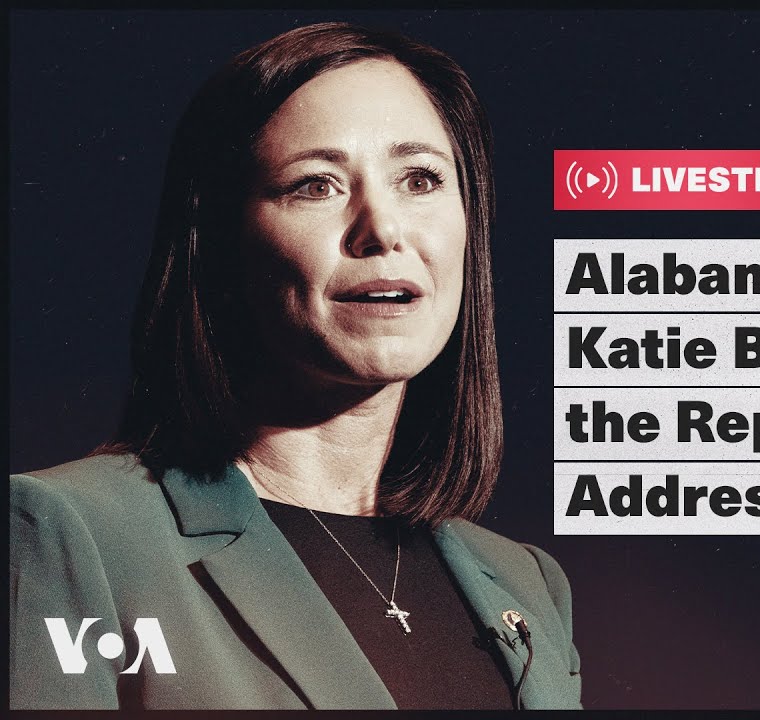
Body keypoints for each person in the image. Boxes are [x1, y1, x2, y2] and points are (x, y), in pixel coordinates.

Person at [9, 22, 581, 710]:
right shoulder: (70, 533)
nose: (383, 228)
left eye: (421, 178)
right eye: (315, 185)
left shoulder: (529, 585)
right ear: (218, 241)